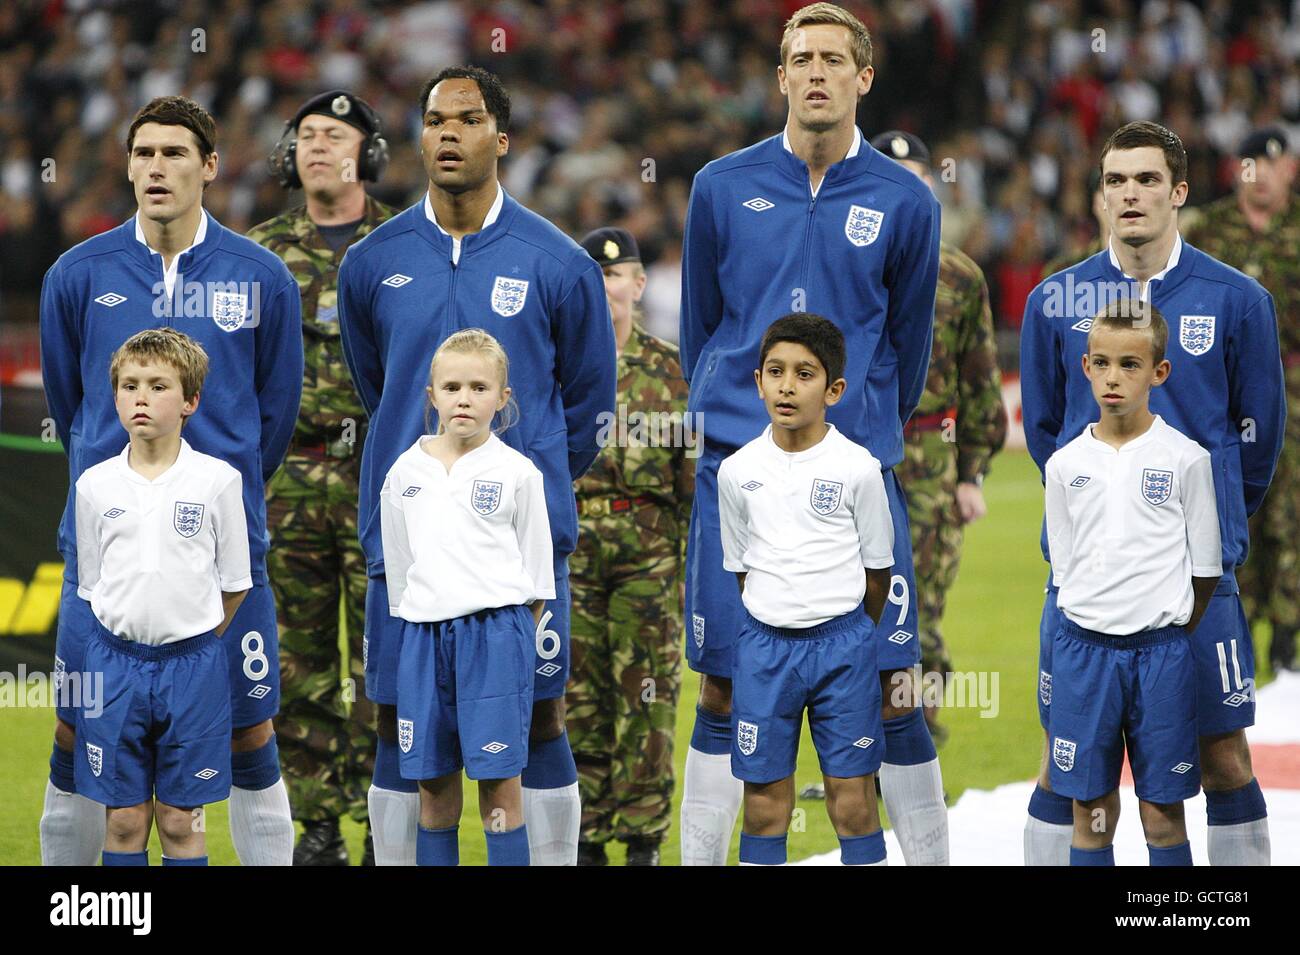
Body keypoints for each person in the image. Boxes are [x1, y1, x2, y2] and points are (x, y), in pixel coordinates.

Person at [679, 2, 945, 866]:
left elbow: (905, 349)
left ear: (864, 77)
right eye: (803, 58)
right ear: (781, 76)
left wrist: (856, 435)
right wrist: (736, 427)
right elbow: (703, 334)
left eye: (836, 58)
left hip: (854, 479)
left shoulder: (906, 199)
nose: (818, 71)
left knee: (893, 686)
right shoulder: (721, 185)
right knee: (722, 687)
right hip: (740, 475)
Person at [338, 66, 616, 866]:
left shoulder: (558, 263)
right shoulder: (372, 262)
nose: (447, 133)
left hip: (518, 554)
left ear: (502, 137)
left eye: (466, 118)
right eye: (433, 120)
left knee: (540, 715)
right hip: (409, 547)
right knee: (399, 717)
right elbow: (382, 389)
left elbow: (590, 403)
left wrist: (522, 485)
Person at [39, 95, 303, 867]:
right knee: (74, 724)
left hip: (224, 554)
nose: (158, 168)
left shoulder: (262, 278)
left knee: (251, 727)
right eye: (144, 153)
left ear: (211, 167)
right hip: (107, 552)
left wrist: (218, 497)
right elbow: (75, 404)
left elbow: (271, 416)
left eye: (176, 153)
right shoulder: (77, 274)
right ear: (127, 166)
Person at [1021, 121, 1285, 866]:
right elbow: (1046, 433)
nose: (1129, 194)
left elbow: (1257, 438)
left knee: (1224, 754)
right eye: (1115, 181)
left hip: (1198, 584)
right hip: (1088, 582)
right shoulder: (1053, 300)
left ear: (1178, 192)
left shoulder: (1238, 301)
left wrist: (1213, 522)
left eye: (1145, 180)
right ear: (1100, 194)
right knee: (1070, 762)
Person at [248, 89, 398, 866]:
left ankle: (386, 824)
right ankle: (314, 828)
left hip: (384, 481)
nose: (314, 145)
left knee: (387, 666)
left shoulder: (409, 243)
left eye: (333, 134)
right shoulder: (256, 252)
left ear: (367, 153)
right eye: (304, 134)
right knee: (298, 663)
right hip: (293, 480)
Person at [1044, 302, 1220, 866]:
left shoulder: (1186, 459)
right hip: (1085, 654)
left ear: (1159, 373)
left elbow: (1205, 570)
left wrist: (1162, 628)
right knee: (1090, 809)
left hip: (1160, 657)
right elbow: (1066, 567)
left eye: (1130, 364)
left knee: (1163, 811)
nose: (1114, 377)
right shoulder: (1065, 464)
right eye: (1102, 363)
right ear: (1086, 367)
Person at [719, 314, 894, 866]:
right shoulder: (737, 470)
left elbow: (878, 574)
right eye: (776, 372)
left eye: (804, 374)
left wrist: (843, 631)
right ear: (758, 381)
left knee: (852, 803)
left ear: (834, 389)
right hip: (764, 649)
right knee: (765, 806)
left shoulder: (858, 469)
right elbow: (742, 567)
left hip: (842, 647)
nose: (787, 386)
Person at [74, 328, 251, 866]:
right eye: (129, 386)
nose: (141, 398)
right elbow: (92, 583)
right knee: (125, 819)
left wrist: (190, 638)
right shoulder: (94, 485)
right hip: (114, 664)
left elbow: (235, 583)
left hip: (191, 667)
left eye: (158, 385)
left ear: (191, 401)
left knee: (180, 819)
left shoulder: (217, 481)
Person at [382, 329, 553, 866]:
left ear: (502, 398)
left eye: (479, 387)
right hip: (423, 640)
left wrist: (496, 629)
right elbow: (401, 569)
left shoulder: (517, 473)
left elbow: (536, 581)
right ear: (430, 394)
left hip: (495, 639)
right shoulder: (404, 473)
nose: (464, 398)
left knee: (500, 785)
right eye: (452, 386)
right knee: (432, 787)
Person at [871, 130, 1007, 743]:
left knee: (920, 602)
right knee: (849, 601)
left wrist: (972, 474)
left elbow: (981, 382)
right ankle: (858, 741)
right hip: (854, 450)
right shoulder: (844, 262)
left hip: (929, 454)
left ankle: (915, 738)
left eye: (918, 178)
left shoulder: (959, 276)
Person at [566, 228, 692, 867]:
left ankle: (642, 837)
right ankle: (586, 839)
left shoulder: (673, 369)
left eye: (618, 276)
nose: (607, 286)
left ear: (639, 286)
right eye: (595, 275)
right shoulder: (556, 368)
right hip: (574, 555)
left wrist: (696, 575)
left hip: (649, 555)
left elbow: (691, 481)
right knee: (576, 698)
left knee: (647, 698)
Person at [1181, 126, 1300, 674]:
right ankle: (1236, 636)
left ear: (1289, 170)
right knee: (1232, 510)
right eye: (1251, 164)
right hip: (1223, 397)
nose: (1261, 175)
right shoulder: (1208, 229)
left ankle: (1289, 634)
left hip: (1295, 394)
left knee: (1291, 519)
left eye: (1272, 164)